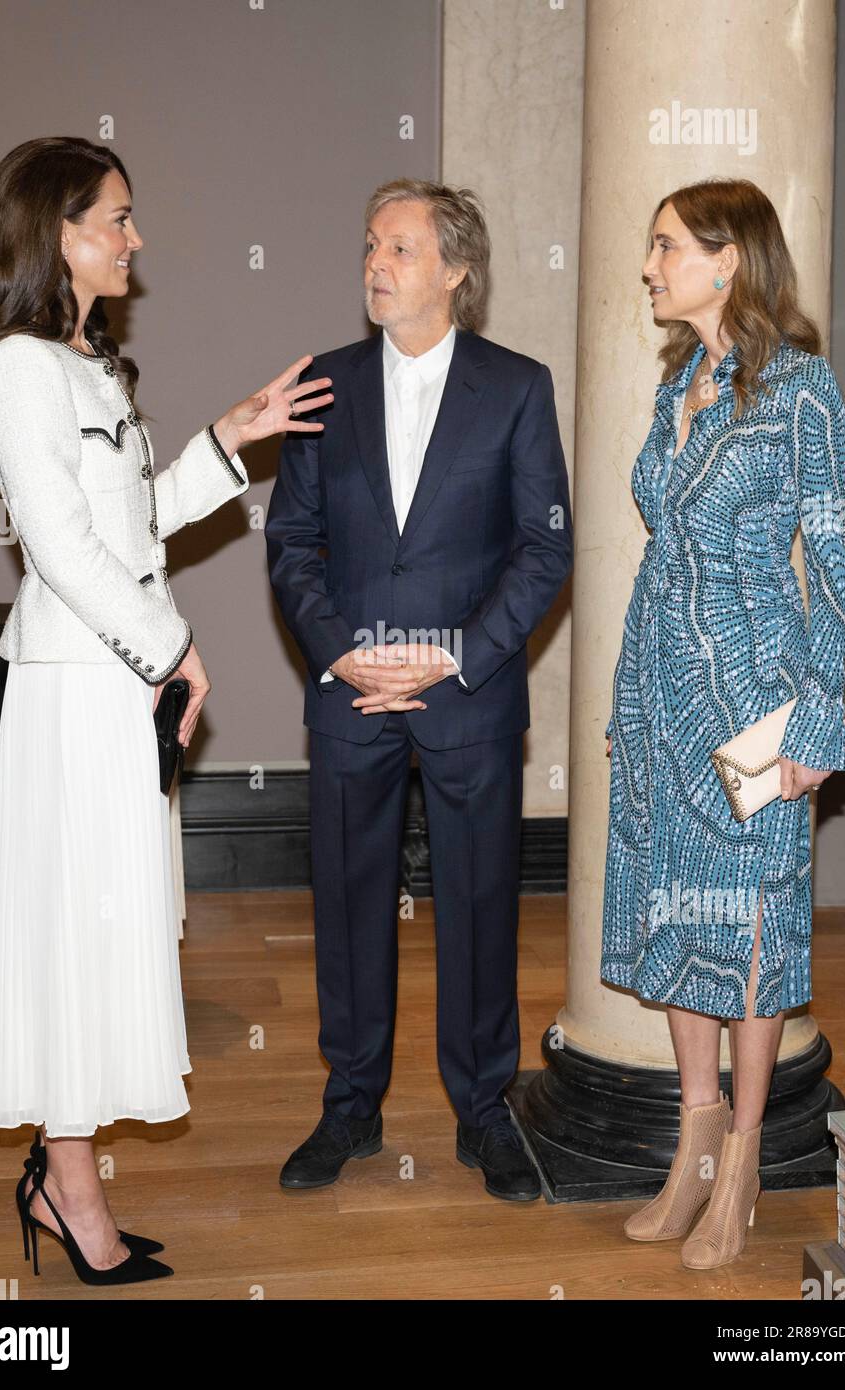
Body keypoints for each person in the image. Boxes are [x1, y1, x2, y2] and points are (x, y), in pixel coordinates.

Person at [0, 136, 332, 1285]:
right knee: (72, 935)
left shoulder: (84, 362)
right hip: (77, 690)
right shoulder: (20, 365)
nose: (134, 236)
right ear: (60, 231)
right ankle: (69, 1189)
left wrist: (230, 437)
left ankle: (71, 1179)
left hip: (114, 691)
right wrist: (175, 648)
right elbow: (63, 552)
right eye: (117, 217)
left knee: (105, 931)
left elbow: (130, 524)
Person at [266, 178, 572, 1202]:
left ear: (454, 270)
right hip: (350, 691)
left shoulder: (517, 386)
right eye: (368, 245)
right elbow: (291, 542)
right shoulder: (321, 382)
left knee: (480, 904)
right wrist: (343, 650)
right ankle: (349, 1104)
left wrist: (450, 656)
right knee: (348, 904)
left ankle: (484, 1113)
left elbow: (542, 550)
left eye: (398, 247)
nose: (374, 263)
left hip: (465, 694)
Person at [601, 179, 845, 1269]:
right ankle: (691, 1142)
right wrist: (628, 702)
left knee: (749, 931)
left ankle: (742, 1162)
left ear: (727, 261)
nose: (648, 264)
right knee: (674, 918)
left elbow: (833, 568)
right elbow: (661, 536)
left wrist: (814, 728)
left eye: (664, 246)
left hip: (755, 699)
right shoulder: (682, 388)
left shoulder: (804, 392)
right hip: (658, 685)